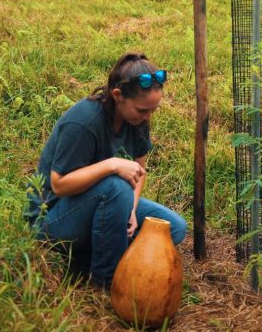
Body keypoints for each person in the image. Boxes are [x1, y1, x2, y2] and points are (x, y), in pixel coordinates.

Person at [25, 52, 187, 287]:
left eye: (153, 110)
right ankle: (107, 281)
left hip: (98, 202)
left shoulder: (137, 121)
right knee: (116, 185)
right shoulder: (83, 122)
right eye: (142, 110)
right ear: (117, 95)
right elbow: (59, 185)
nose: (147, 117)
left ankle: (92, 254)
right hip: (51, 218)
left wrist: (130, 211)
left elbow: (139, 172)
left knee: (174, 228)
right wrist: (111, 164)